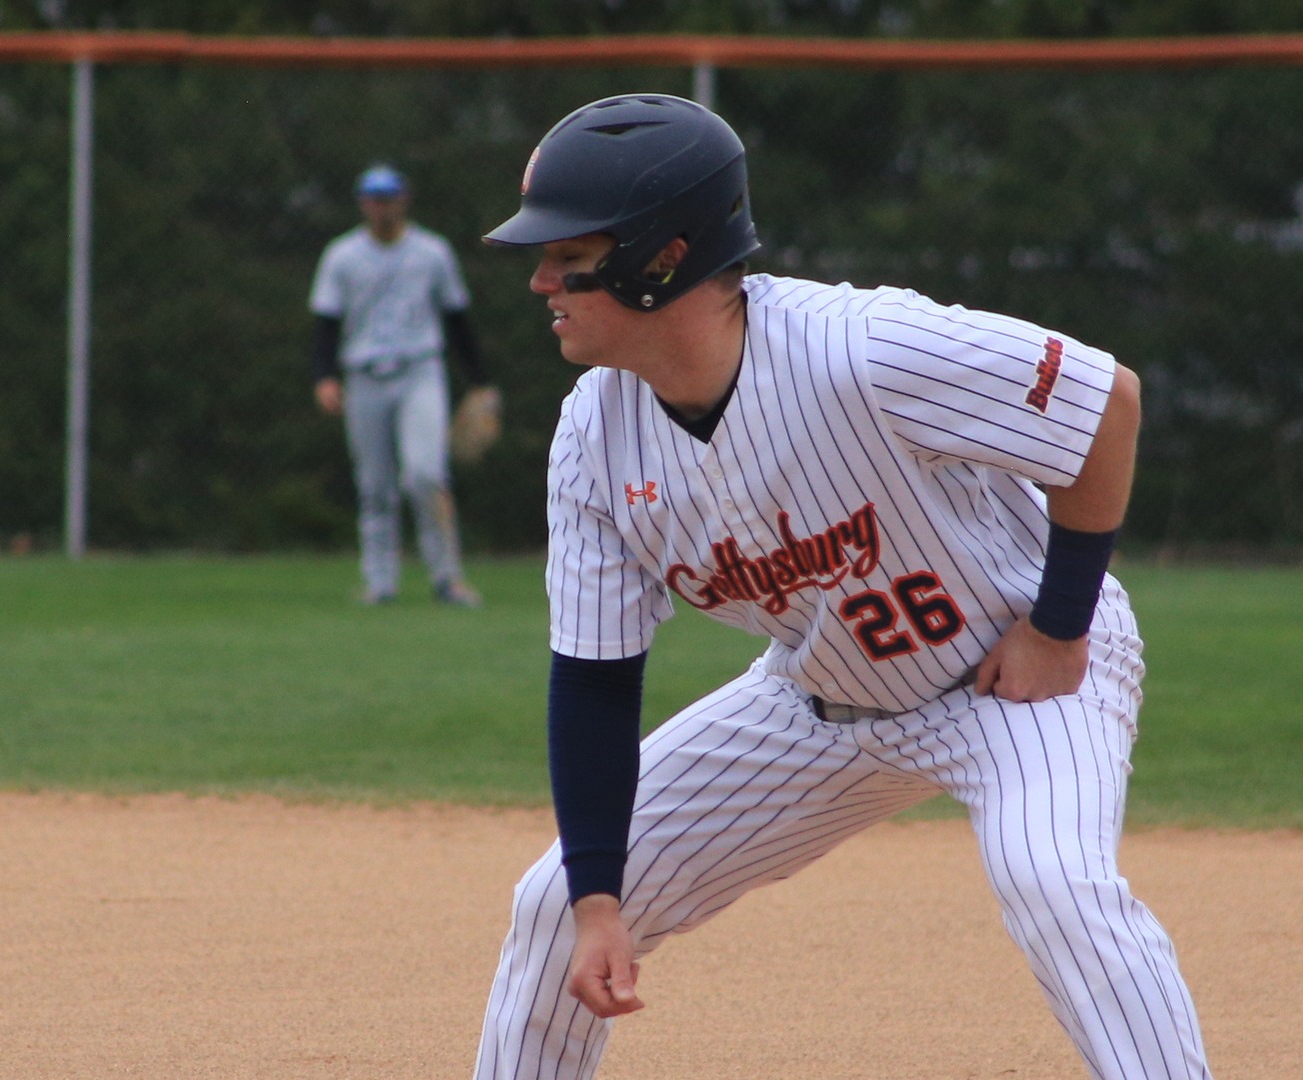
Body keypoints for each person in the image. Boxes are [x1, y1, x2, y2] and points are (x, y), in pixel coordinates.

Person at [472, 95, 1212, 1080]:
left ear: (659, 258)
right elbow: (597, 680)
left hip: (1013, 672)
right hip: (819, 697)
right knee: (554, 903)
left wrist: (1061, 624)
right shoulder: (593, 439)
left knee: (1055, 880)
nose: (538, 280)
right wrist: (603, 899)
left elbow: (1103, 402)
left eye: (567, 257)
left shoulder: (859, 348)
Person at [309, 163, 497, 607]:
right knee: (374, 484)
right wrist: (324, 376)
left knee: (424, 474)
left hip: (419, 370)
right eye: (374, 198)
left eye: (389, 197)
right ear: (362, 203)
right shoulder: (342, 255)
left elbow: (457, 320)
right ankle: (380, 582)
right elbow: (326, 323)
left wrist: (480, 383)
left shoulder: (431, 252)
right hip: (364, 374)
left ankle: (447, 577)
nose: (382, 207)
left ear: (404, 199)